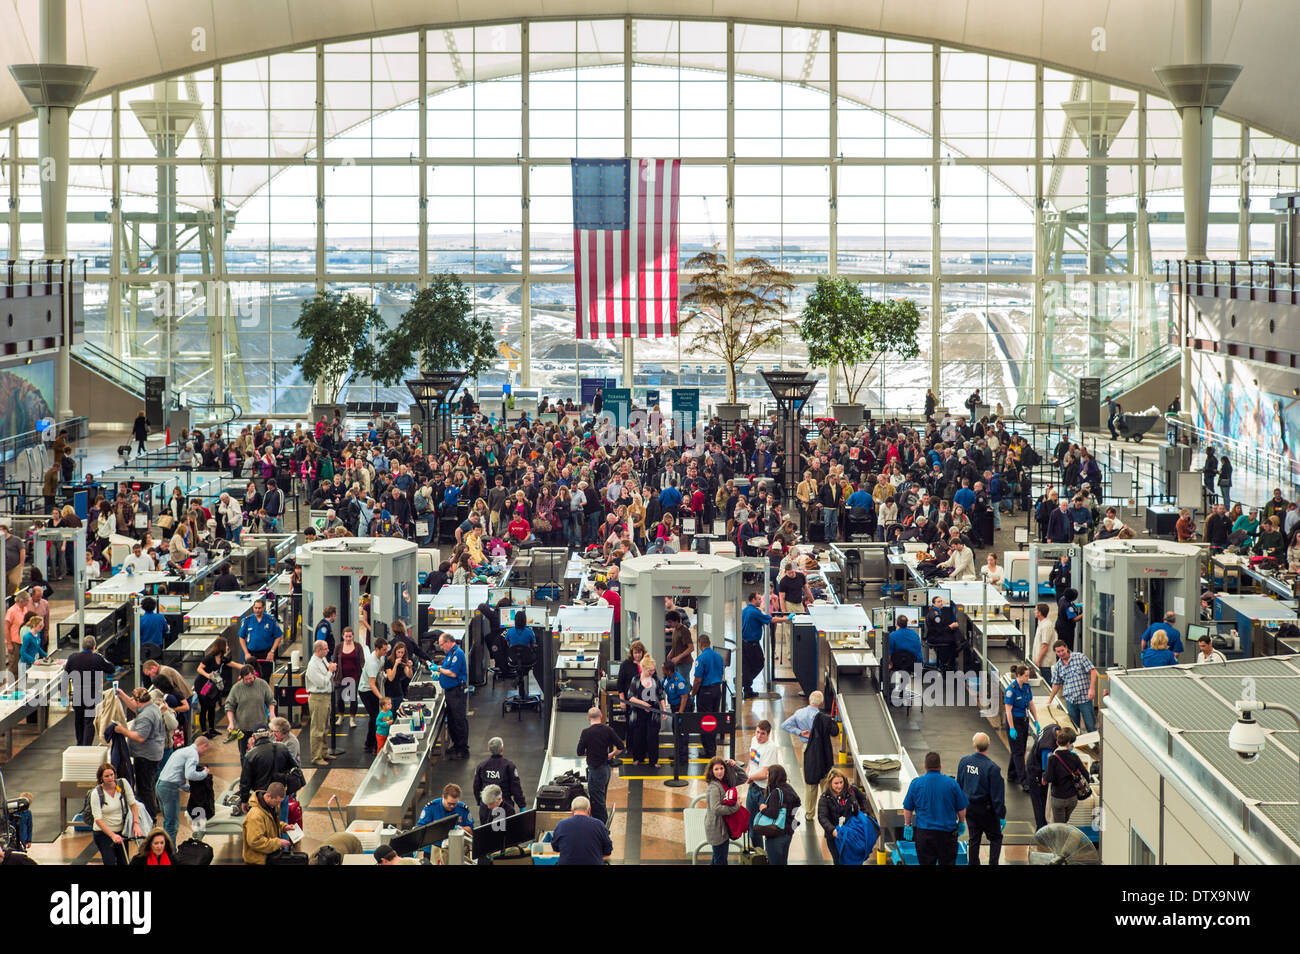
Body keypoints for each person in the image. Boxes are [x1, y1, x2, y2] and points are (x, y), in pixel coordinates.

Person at [901, 751, 968, 866]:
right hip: (947, 835)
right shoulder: (952, 784)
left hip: (925, 835)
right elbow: (961, 808)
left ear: (925, 766)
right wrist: (961, 822)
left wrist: (908, 825)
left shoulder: (916, 784)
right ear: (940, 766)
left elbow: (907, 808)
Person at [112, 687, 166, 823]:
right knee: (148, 785)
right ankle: (149, 813)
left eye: (132, 699)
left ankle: (149, 817)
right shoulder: (150, 707)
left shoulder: (146, 716)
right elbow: (135, 707)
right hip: (152, 754)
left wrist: (121, 730)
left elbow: (140, 737)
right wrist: (123, 695)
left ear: (138, 700)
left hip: (145, 757)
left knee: (144, 789)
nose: (130, 701)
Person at [781, 690, 836, 818]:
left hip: (807, 748)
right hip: (822, 750)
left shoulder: (800, 713)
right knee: (824, 780)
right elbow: (833, 732)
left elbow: (785, 725)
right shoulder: (823, 717)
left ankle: (809, 814)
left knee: (810, 783)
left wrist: (800, 732)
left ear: (809, 700)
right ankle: (826, 812)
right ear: (821, 702)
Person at [956, 732, 1006, 866]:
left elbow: (959, 785)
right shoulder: (992, 768)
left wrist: (958, 808)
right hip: (987, 811)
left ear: (974, 745)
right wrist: (1001, 815)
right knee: (995, 838)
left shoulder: (964, 762)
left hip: (969, 809)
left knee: (974, 838)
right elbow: (997, 796)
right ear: (988, 746)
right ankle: (993, 863)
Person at [154, 735, 210, 845]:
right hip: (169, 789)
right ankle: (171, 856)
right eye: (206, 750)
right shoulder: (193, 754)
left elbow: (175, 774)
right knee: (172, 825)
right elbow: (190, 774)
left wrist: (188, 788)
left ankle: (166, 853)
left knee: (167, 823)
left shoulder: (182, 751)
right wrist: (204, 773)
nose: (204, 754)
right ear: (204, 746)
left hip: (160, 786)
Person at [63, 635, 116, 745]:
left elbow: (66, 675)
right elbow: (111, 669)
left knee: (78, 719)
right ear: (94, 646)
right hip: (92, 695)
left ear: (82, 646)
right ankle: (86, 745)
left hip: (77, 694)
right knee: (89, 720)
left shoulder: (72, 657)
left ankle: (79, 742)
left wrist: (65, 692)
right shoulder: (97, 658)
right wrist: (101, 656)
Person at [817, 767, 870, 865]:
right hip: (835, 836)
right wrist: (833, 830)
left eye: (841, 782)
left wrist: (865, 812)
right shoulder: (825, 798)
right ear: (830, 783)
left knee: (854, 859)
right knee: (839, 860)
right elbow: (822, 817)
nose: (839, 786)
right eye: (836, 783)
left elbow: (863, 799)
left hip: (852, 832)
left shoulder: (852, 790)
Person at [577, 707, 620, 824]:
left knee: (597, 803)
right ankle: (601, 828)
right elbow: (621, 747)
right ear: (601, 716)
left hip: (595, 771)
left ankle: (602, 830)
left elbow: (579, 752)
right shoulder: (608, 730)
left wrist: (590, 753)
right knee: (602, 798)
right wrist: (611, 754)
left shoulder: (586, 732)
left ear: (588, 718)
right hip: (606, 770)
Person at [1045, 640, 1098, 733]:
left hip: (1085, 698)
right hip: (1070, 700)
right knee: (1073, 728)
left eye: (1062, 650)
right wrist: (1050, 700)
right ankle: (1076, 746)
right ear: (1055, 652)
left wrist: (1092, 688)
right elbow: (1056, 684)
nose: (1061, 653)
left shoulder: (1080, 657)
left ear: (1066, 648)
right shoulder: (1058, 666)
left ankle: (1095, 746)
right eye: (1058, 652)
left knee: (1090, 726)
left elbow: (1092, 671)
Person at [743, 719, 780, 850]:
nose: (759, 736)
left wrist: (749, 777)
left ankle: (764, 855)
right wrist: (747, 771)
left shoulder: (771, 748)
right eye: (757, 732)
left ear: (768, 734)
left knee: (762, 826)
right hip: (752, 787)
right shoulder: (754, 740)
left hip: (763, 791)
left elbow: (765, 773)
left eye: (762, 733)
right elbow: (752, 760)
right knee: (751, 824)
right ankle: (758, 852)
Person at [224, 665, 275, 759]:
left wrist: (272, 714)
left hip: (260, 729)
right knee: (244, 755)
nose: (248, 681)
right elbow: (229, 706)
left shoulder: (262, 684)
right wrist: (231, 723)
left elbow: (271, 700)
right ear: (241, 677)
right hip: (243, 729)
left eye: (250, 678)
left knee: (262, 754)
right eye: (246, 679)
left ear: (254, 674)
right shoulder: (236, 688)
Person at [626, 654, 668, 766]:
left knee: (652, 737)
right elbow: (630, 697)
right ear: (644, 669)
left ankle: (653, 760)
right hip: (638, 712)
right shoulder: (635, 679)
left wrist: (664, 709)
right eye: (650, 671)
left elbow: (660, 695)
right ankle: (638, 758)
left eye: (653, 670)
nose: (652, 673)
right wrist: (643, 704)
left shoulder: (655, 679)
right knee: (638, 736)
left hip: (653, 713)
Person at [754, 764, 800, 866]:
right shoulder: (790, 788)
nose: (767, 777)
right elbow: (798, 803)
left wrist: (763, 809)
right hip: (788, 832)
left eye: (768, 774)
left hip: (776, 834)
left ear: (773, 776)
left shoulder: (776, 792)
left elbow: (773, 814)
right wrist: (789, 816)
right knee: (783, 861)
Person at [704, 756, 746, 865]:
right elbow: (716, 809)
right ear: (711, 771)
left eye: (722, 768)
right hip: (717, 829)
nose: (719, 772)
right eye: (716, 769)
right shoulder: (714, 787)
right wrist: (736, 806)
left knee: (718, 858)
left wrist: (734, 766)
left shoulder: (726, 782)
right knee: (720, 859)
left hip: (723, 826)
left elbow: (744, 778)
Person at [1003, 664, 1039, 793]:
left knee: (1020, 749)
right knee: (1018, 752)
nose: (1028, 678)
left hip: (1024, 721)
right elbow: (1008, 710)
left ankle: (1011, 774)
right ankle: (1024, 781)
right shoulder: (1011, 690)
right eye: (1026, 676)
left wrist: (1036, 721)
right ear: (1019, 676)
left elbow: (1030, 704)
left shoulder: (1026, 687)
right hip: (1014, 722)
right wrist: (1012, 728)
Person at [473, 737, 527, 819]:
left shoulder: (481, 766)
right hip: (504, 806)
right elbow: (516, 788)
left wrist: (480, 801)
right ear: (502, 748)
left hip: (486, 806)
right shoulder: (509, 766)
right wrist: (521, 805)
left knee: (485, 830)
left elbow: (476, 786)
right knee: (506, 830)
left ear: (489, 749)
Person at [690, 633, 725, 757]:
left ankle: (709, 750)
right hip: (717, 690)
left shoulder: (701, 658)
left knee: (705, 721)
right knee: (713, 720)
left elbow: (698, 679)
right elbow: (721, 674)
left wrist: (693, 694)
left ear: (700, 644)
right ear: (708, 643)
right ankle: (712, 749)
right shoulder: (718, 656)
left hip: (705, 692)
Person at [416, 783, 473, 858]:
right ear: (443, 797)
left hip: (455, 849)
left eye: (455, 804)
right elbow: (420, 829)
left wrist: (457, 829)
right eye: (449, 804)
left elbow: (471, 830)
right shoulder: (431, 808)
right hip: (433, 849)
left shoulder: (462, 809)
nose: (452, 806)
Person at [1042, 725, 1086, 823]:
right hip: (1072, 798)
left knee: (1059, 826)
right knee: (1065, 822)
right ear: (1069, 743)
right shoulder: (1075, 758)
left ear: (1057, 743)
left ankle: (1060, 838)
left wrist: (1044, 777)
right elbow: (1086, 775)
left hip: (1058, 798)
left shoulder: (1052, 758)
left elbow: (1048, 778)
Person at [552, 795, 613, 865]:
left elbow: (555, 848)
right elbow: (608, 850)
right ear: (589, 810)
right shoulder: (599, 824)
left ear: (572, 811)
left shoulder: (561, 824)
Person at [436, 632, 470, 759]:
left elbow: (452, 673)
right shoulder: (450, 654)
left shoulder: (458, 654)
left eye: (441, 645)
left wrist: (439, 669)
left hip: (457, 692)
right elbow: (446, 669)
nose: (441, 647)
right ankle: (456, 745)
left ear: (448, 642)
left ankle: (462, 749)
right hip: (450, 692)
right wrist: (439, 672)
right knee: (451, 720)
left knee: (459, 720)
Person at [242, 781, 292, 865]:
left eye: (280, 802)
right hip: (258, 860)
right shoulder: (255, 815)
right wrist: (278, 843)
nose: (278, 804)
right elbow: (255, 841)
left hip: (268, 855)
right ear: (268, 796)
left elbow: (269, 824)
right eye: (277, 801)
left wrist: (283, 827)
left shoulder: (271, 805)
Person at [305, 639, 337, 765]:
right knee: (317, 729)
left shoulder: (322, 660)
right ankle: (316, 757)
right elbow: (321, 682)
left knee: (324, 727)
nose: (328, 650)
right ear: (318, 650)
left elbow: (328, 678)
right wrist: (330, 671)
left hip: (326, 697)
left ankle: (324, 752)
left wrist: (330, 671)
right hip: (318, 698)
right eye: (325, 648)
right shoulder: (313, 665)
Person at [238, 598, 283, 683]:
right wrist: (246, 653)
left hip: (266, 654)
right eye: (255, 608)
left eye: (259, 608)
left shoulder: (271, 620)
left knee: (265, 678)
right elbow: (241, 637)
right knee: (250, 678)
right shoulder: (248, 620)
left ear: (264, 608)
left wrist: (272, 651)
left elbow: (278, 636)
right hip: (252, 654)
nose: (257, 610)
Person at [740, 591, 776, 698]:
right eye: (759, 599)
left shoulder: (745, 610)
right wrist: (787, 619)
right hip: (752, 644)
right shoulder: (755, 612)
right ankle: (745, 682)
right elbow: (772, 619)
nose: (761, 601)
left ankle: (747, 689)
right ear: (753, 600)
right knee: (760, 663)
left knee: (746, 666)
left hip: (744, 643)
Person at [194, 637, 230, 739]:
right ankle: (205, 732)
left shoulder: (222, 658)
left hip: (212, 687)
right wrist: (208, 675)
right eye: (226, 645)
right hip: (203, 686)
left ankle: (212, 728)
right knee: (204, 707)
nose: (228, 647)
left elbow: (231, 664)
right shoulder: (209, 657)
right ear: (221, 646)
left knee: (212, 707)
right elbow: (199, 668)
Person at [359, 638, 389, 754]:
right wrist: (382, 698)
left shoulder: (380, 657)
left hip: (372, 688)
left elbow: (381, 668)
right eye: (384, 650)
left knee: (375, 716)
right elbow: (371, 685)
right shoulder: (372, 663)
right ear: (377, 649)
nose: (386, 651)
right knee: (375, 717)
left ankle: (372, 743)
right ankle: (370, 744)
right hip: (366, 690)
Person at [924, 595, 961, 673]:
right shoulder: (936, 615)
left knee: (954, 639)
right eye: (938, 602)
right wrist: (951, 626)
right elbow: (940, 630)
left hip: (934, 635)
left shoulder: (936, 612)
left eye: (941, 601)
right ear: (933, 604)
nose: (941, 603)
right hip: (935, 637)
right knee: (954, 642)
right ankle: (947, 664)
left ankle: (947, 662)